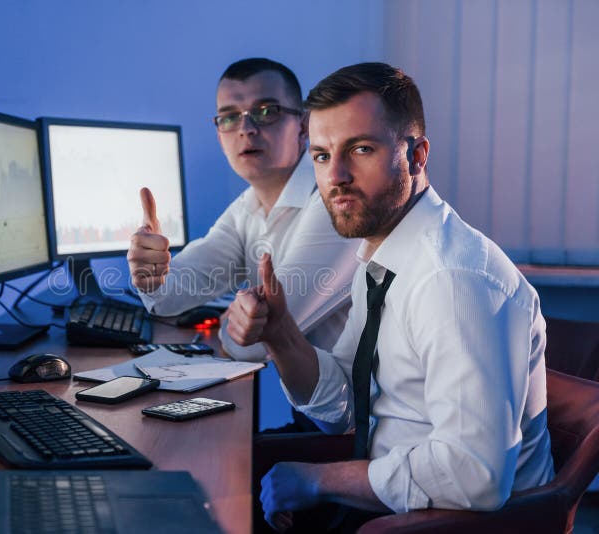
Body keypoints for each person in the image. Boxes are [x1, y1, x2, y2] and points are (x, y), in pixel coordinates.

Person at [226, 62, 554, 532]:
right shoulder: (383, 255)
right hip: (391, 500)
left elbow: (475, 477)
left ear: (417, 155)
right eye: (320, 155)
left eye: (360, 149)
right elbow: (345, 407)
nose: (335, 176)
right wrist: (280, 334)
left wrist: (321, 481)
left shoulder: (451, 279)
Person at [127, 58, 359, 365]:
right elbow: (172, 295)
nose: (246, 129)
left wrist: (227, 324)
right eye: (229, 117)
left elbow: (255, 346)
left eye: (267, 112)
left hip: (366, 411)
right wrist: (151, 276)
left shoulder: (335, 201)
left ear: (304, 126)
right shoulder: (247, 207)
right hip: (319, 406)